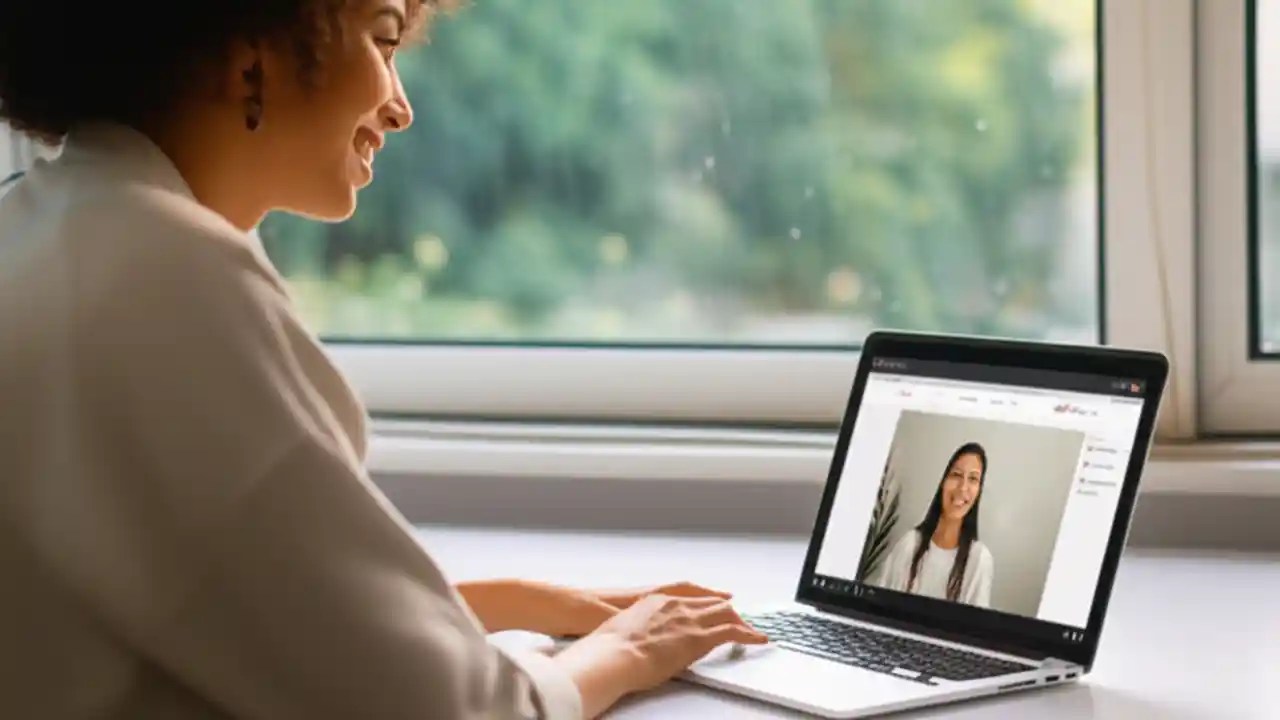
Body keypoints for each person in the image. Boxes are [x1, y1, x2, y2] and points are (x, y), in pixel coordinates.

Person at [0, 2, 767, 719]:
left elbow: (267, 605)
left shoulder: (49, 225)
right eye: (382, 39)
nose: (400, 105)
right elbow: (452, 710)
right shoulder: (167, 279)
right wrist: (629, 650)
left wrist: (532, 600)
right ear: (250, 50)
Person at [873, 443, 995, 607]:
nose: (963, 488)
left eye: (973, 479)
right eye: (956, 475)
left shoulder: (979, 559)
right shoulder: (910, 544)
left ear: (979, 490)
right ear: (943, 482)